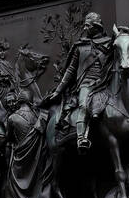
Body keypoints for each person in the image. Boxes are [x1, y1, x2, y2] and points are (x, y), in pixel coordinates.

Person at [41, 10, 111, 151]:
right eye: (84, 26)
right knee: (84, 105)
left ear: (96, 26)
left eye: (87, 26)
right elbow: (71, 70)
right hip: (86, 84)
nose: (84, 29)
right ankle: (81, 139)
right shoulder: (80, 46)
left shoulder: (110, 44)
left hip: (105, 83)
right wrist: (59, 90)